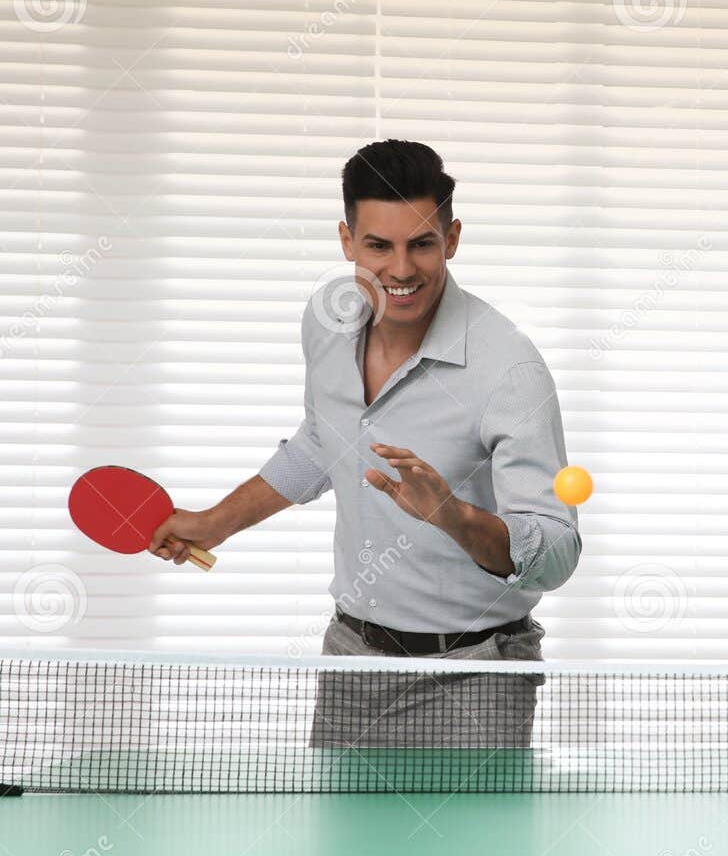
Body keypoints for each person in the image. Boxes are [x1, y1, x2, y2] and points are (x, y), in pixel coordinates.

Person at [148, 139, 581, 748]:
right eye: (379, 245)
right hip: (352, 659)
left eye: (422, 244)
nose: (401, 270)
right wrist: (214, 523)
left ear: (452, 239)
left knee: (473, 849)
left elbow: (558, 552)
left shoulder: (509, 369)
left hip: (476, 677)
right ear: (347, 240)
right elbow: (324, 443)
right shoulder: (327, 322)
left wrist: (451, 515)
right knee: (343, 848)